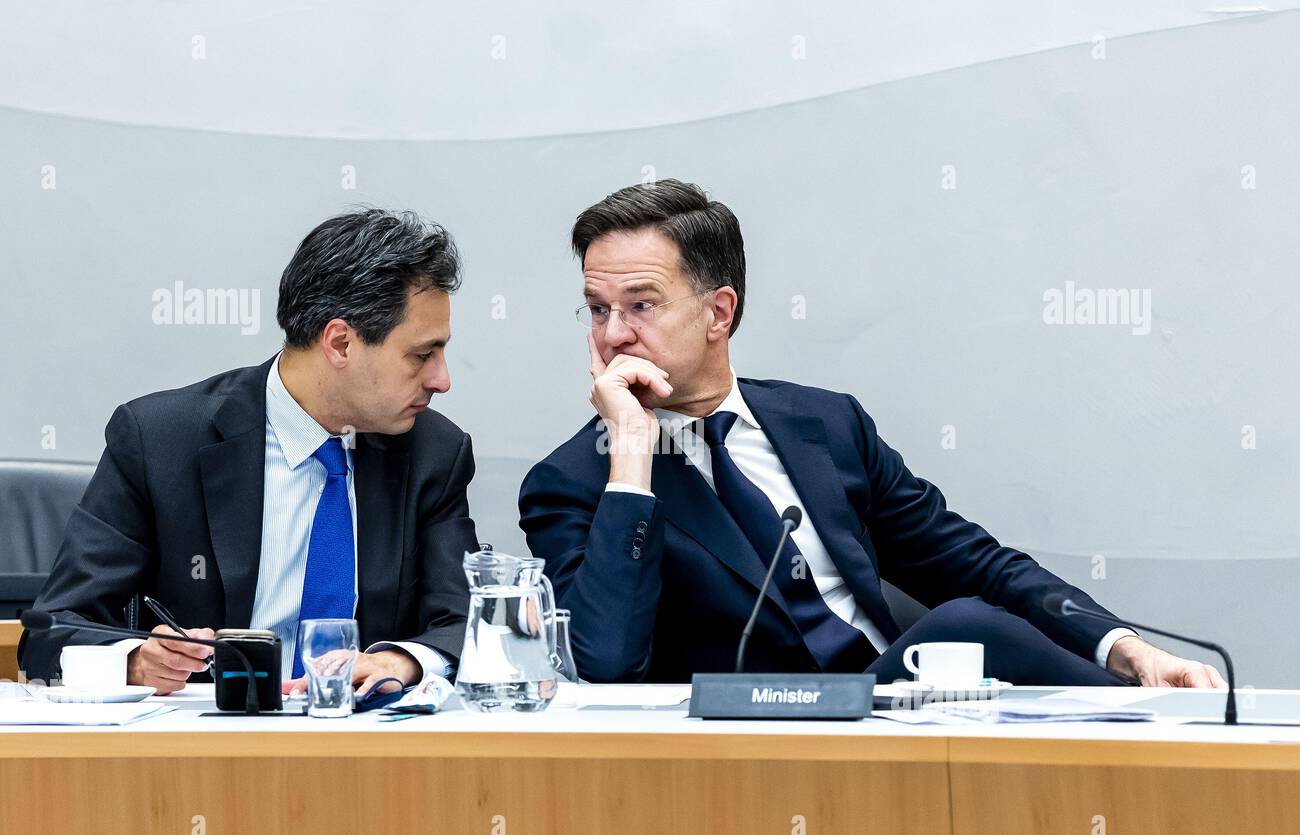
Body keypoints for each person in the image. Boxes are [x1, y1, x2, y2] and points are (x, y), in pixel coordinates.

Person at [518, 179, 1227, 689]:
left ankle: (1149, 730)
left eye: (640, 304)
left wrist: (1123, 646)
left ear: (718, 312)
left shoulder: (825, 424)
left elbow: (972, 562)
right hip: (763, 747)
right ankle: (1152, 743)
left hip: (907, 709)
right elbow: (606, 665)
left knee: (970, 619)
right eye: (596, 309)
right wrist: (633, 459)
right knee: (964, 627)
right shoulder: (575, 482)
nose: (613, 335)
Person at [20, 209, 479, 696]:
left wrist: (404, 660)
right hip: (203, 748)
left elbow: (465, 620)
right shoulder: (160, 441)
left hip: (368, 745)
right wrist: (135, 661)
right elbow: (51, 633)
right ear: (341, 343)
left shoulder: (433, 453)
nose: (442, 380)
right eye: (421, 354)